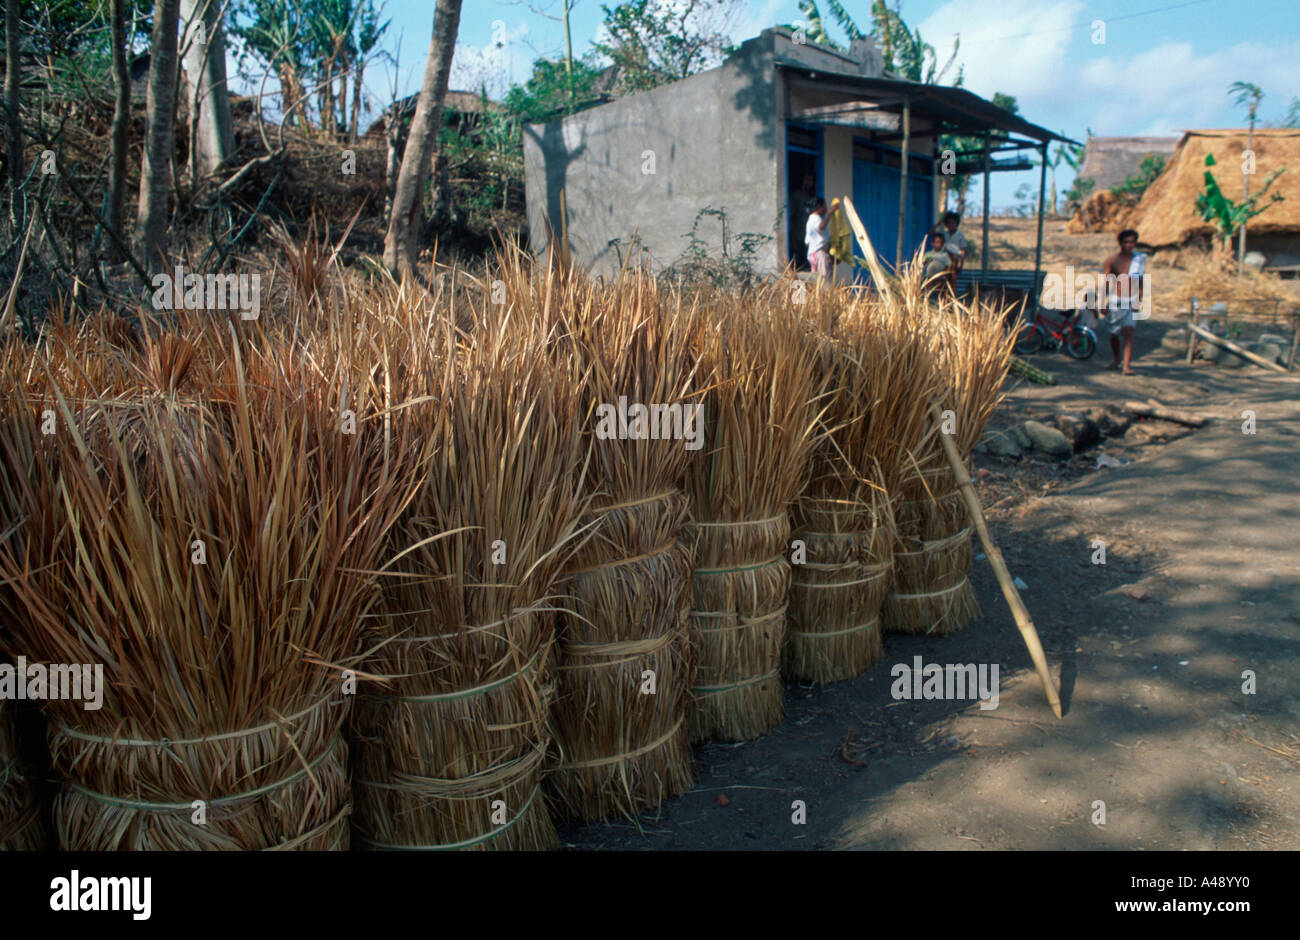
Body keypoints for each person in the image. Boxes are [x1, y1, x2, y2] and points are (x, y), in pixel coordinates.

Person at [1099, 228, 1145, 374]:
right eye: (1126, 242)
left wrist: (1139, 299)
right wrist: (1103, 302)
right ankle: (1116, 359)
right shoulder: (1112, 261)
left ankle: (1126, 366)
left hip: (1131, 300)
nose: (1129, 245)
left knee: (1129, 332)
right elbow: (1106, 282)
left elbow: (1140, 281)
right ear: (1120, 243)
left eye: (1132, 242)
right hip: (1116, 300)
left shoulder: (1138, 260)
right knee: (1114, 334)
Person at [788, 172, 818, 269]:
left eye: (811, 180)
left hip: (810, 238)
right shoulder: (796, 196)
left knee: (808, 265)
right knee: (796, 266)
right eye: (806, 180)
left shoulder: (813, 198)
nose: (808, 183)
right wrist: (791, 237)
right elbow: (790, 218)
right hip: (798, 237)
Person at [805, 196, 839, 279]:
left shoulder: (809, 221)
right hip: (820, 255)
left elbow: (807, 243)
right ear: (819, 207)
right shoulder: (816, 219)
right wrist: (830, 213)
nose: (826, 208)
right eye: (824, 206)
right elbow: (821, 227)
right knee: (825, 280)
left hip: (812, 255)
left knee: (816, 280)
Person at [940, 211, 969, 290]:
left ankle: (952, 298)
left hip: (954, 260)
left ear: (956, 224)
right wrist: (940, 222)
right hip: (943, 261)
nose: (951, 225)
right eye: (949, 223)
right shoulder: (944, 234)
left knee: (953, 280)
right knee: (942, 281)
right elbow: (930, 232)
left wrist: (961, 265)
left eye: (953, 223)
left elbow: (963, 251)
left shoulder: (959, 236)